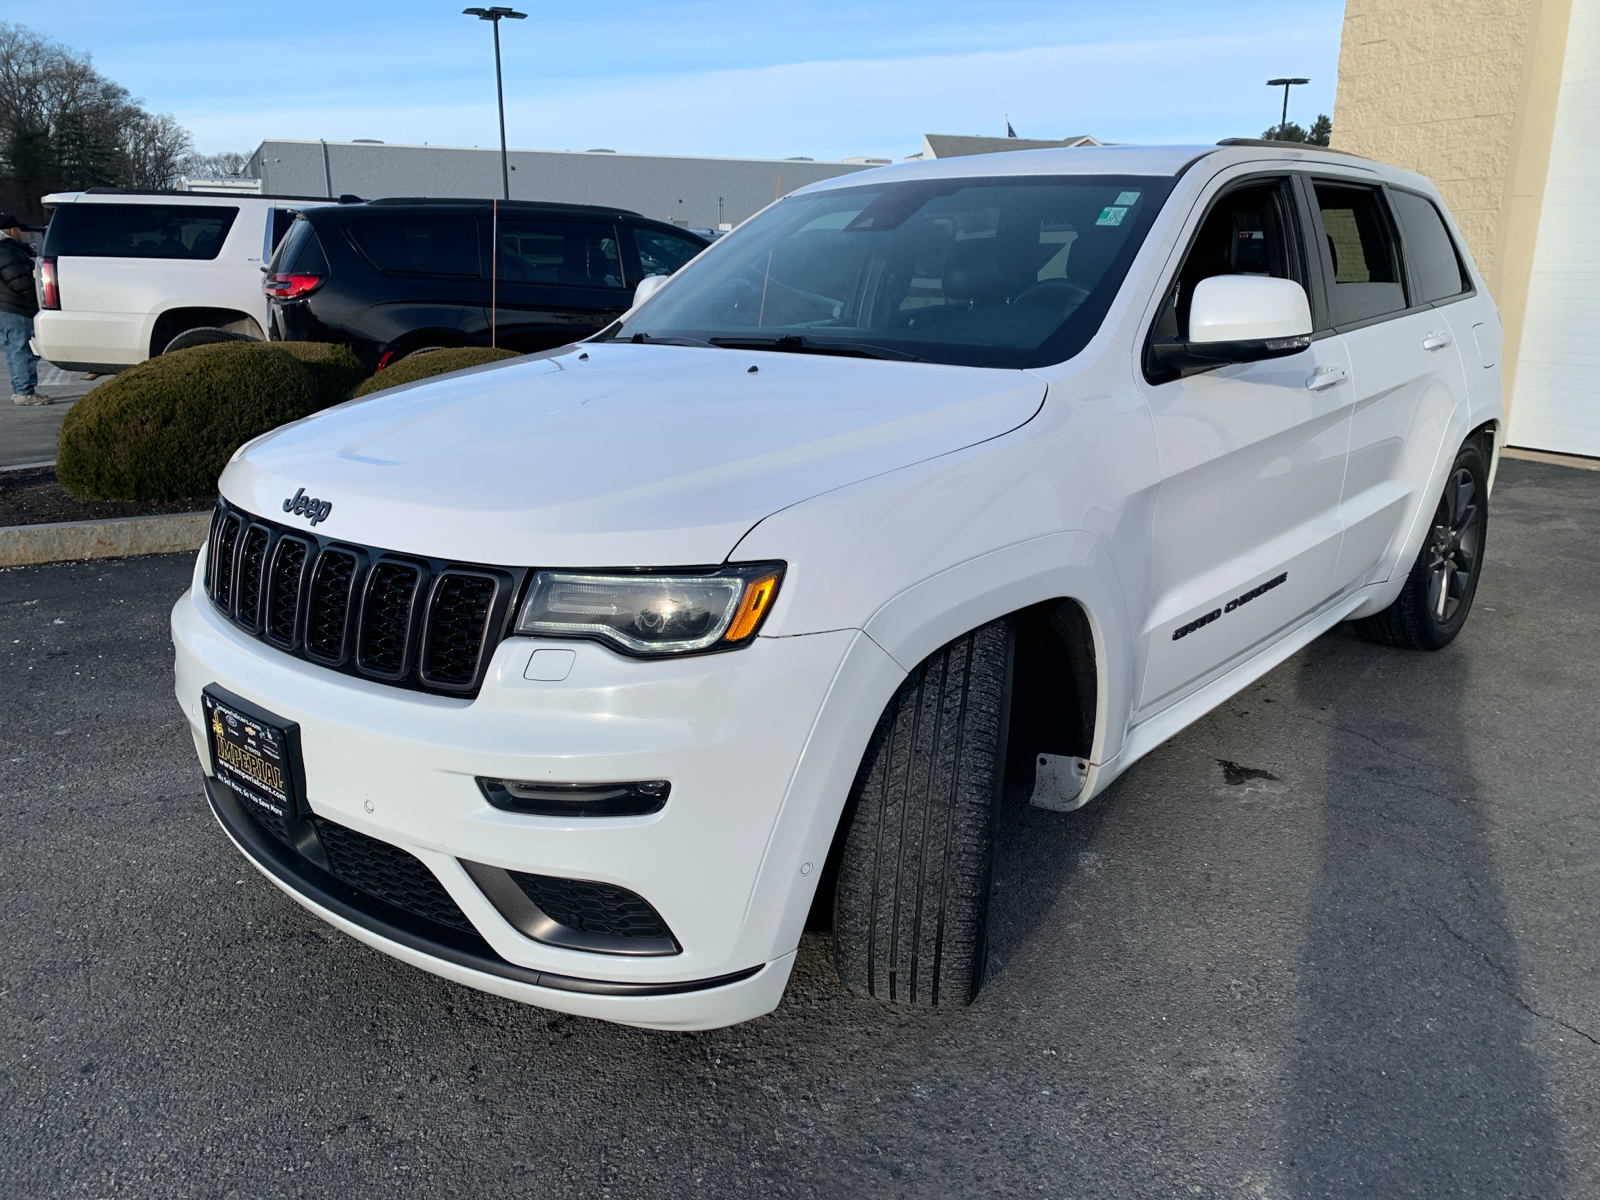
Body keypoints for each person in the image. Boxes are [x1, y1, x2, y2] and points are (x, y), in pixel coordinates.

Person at [0, 212, 46, 406]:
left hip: (4, 307)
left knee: (12, 349)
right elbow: (20, 281)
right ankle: (25, 391)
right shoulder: (8, 251)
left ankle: (19, 388)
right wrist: (37, 302)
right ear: (12, 231)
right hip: (15, 307)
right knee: (22, 349)